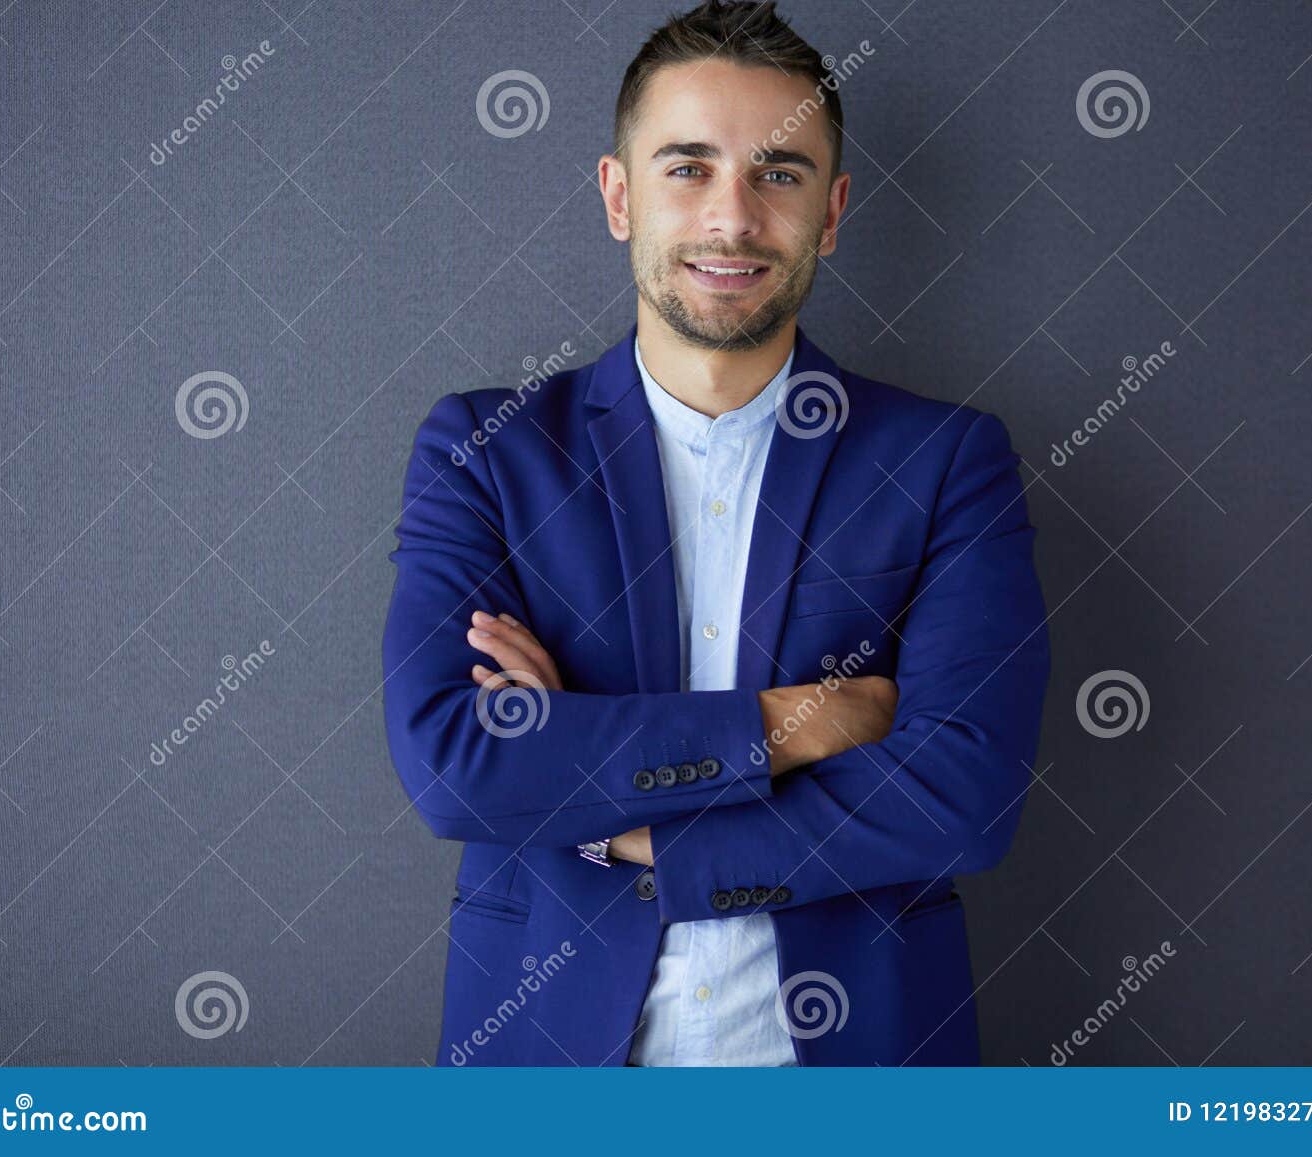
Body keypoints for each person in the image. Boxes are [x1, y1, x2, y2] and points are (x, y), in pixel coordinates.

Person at [382, 0, 1050, 1066]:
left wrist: (615, 820)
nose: (731, 218)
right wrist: (797, 724)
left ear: (828, 213)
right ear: (619, 195)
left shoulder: (946, 461)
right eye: (686, 167)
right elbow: (459, 769)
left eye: (776, 174)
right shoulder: (487, 450)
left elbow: (963, 796)